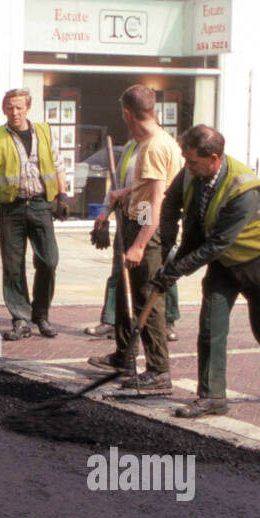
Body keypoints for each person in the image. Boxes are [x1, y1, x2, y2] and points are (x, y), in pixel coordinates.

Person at [153, 124, 260, 418]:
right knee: (210, 326)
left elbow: (217, 243)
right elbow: (170, 205)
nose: (186, 166)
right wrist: (166, 247)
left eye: (191, 160)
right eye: (185, 159)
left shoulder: (243, 188)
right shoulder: (192, 173)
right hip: (224, 266)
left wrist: (175, 271)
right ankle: (212, 397)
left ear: (214, 158)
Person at [85, 85, 182, 392]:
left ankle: (158, 371)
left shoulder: (153, 146)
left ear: (127, 113)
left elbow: (156, 201)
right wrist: (120, 196)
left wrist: (139, 244)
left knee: (147, 298)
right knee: (128, 291)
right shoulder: (155, 141)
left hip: (146, 226)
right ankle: (125, 356)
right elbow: (151, 188)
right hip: (136, 218)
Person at [0, 87, 68, 341]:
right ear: (4, 109)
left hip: (40, 206)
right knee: (13, 267)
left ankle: (41, 313)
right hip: (11, 209)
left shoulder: (45, 133)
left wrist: (63, 195)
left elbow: (58, 165)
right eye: (10, 107)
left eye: (19, 107)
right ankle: (21, 319)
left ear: (27, 108)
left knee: (49, 261)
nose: (15, 112)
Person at [86, 137, 180, 341]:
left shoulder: (161, 146)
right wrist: (106, 210)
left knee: (158, 267)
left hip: (150, 211)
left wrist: (127, 192)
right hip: (129, 212)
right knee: (120, 268)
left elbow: (162, 187)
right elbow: (116, 183)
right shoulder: (130, 146)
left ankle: (167, 321)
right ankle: (111, 320)